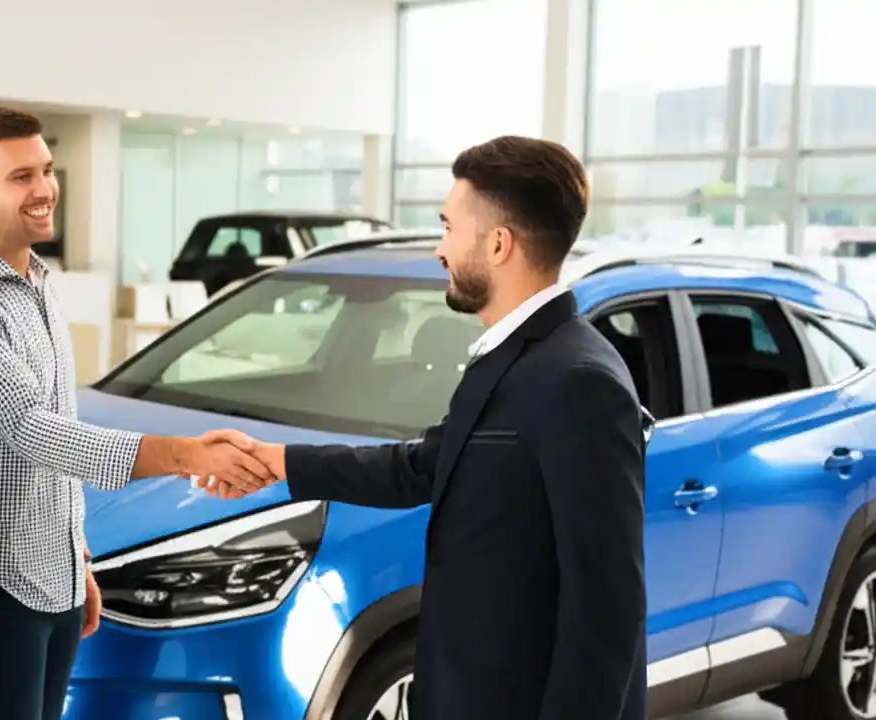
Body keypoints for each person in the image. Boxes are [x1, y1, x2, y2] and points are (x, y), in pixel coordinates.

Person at [206, 136, 648, 719]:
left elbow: (607, 605)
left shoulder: (577, 381)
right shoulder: (509, 357)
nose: (439, 249)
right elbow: (423, 467)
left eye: (447, 227)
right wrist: (275, 462)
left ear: (497, 244)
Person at [0, 106, 273, 720]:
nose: (45, 189)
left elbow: (59, 416)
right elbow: (36, 432)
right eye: (21, 176)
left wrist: (76, 555)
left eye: (47, 170)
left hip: (52, 572)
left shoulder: (41, 283)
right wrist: (182, 455)